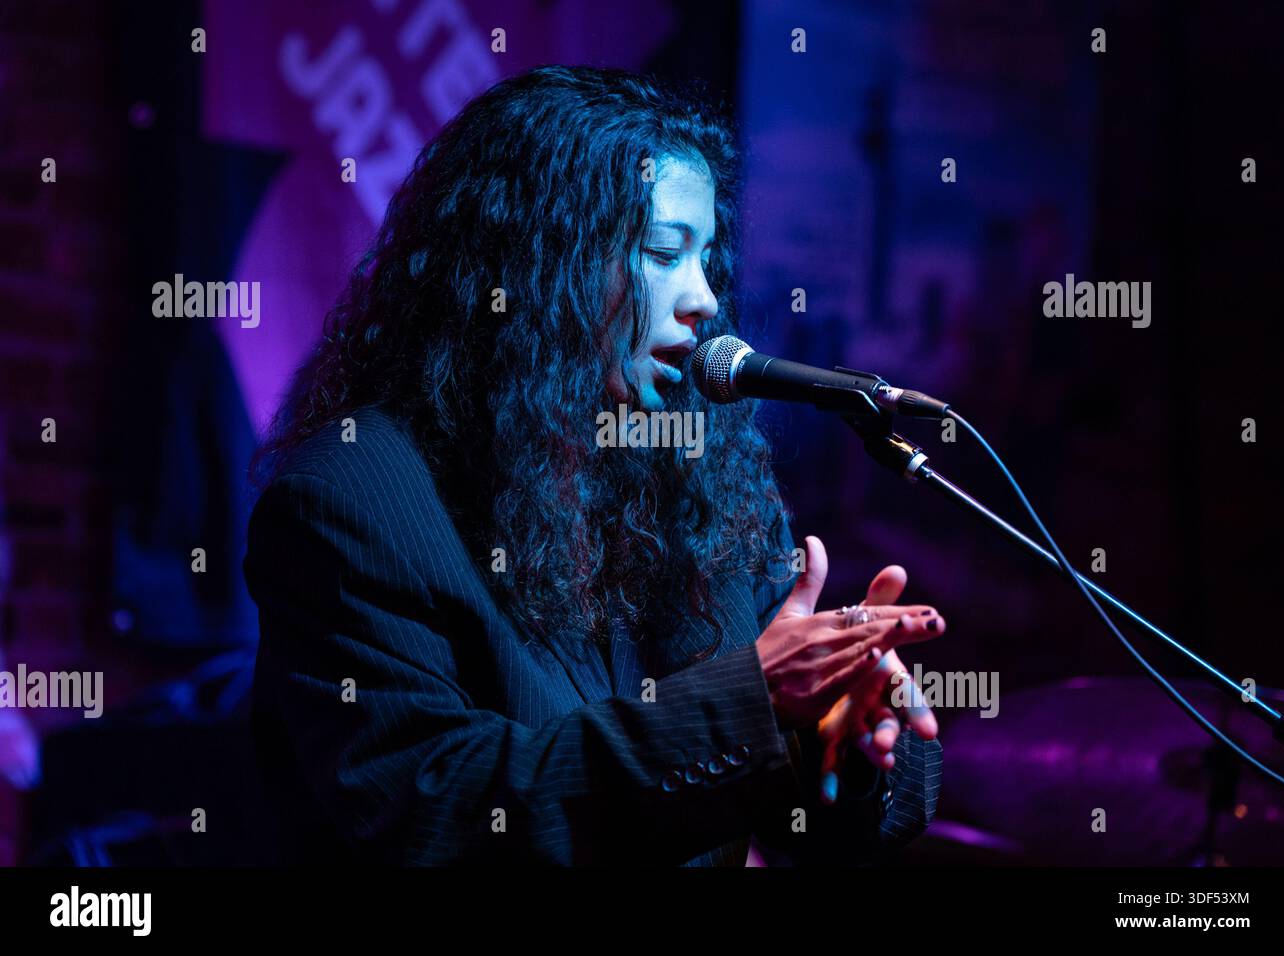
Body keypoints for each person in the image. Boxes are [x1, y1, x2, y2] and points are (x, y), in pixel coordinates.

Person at [244, 65, 944, 865]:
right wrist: (746, 704)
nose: (705, 299)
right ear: (541, 265)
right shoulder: (349, 499)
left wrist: (846, 728)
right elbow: (438, 814)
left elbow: (845, 822)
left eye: (707, 256)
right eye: (664, 252)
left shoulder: (706, 481)